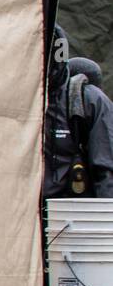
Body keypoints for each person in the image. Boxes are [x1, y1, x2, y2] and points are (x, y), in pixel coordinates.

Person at [43, 26, 113, 198]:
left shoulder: (87, 101)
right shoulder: (10, 100)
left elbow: (106, 171)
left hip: (74, 214)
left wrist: (106, 221)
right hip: (19, 215)